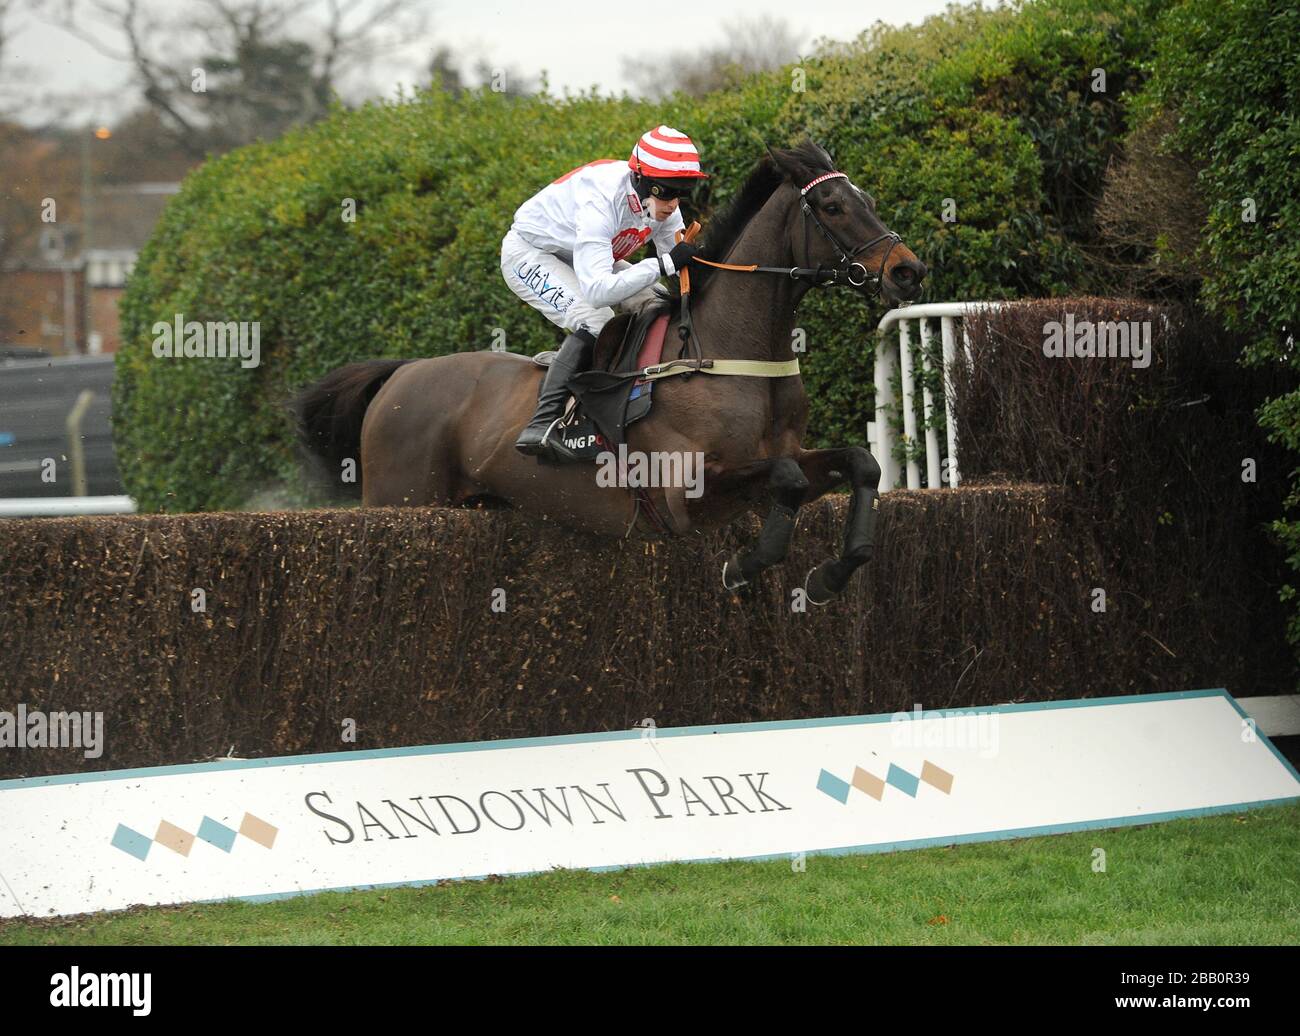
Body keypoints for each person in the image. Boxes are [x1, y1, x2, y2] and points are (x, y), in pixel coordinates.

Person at [502, 125, 708, 457]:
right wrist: (664, 264)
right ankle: (541, 425)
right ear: (640, 180)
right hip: (530, 253)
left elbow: (682, 272)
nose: (672, 204)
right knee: (596, 317)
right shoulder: (600, 200)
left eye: (679, 194)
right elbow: (598, 290)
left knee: (655, 302)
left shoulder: (661, 204)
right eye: (666, 192)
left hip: (584, 256)